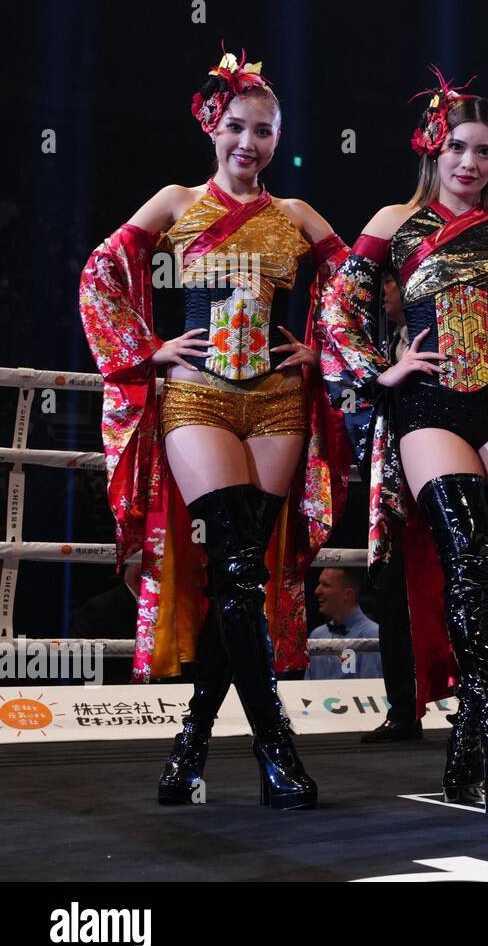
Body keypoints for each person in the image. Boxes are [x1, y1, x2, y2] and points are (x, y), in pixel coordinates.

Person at [79, 48, 350, 810]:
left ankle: (192, 743)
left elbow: (359, 283)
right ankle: (276, 751)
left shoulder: (295, 216)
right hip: (195, 396)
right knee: (233, 567)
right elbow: (101, 270)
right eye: (238, 126)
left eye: (264, 131)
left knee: (242, 576)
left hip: (278, 402)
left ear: (277, 138)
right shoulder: (174, 201)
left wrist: (321, 347)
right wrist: (144, 348)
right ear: (212, 125)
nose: (250, 143)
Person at [320, 69, 488, 814]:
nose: (470, 162)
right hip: (428, 406)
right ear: (433, 148)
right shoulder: (393, 223)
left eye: (485, 151)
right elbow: (337, 310)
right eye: (458, 146)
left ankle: (473, 736)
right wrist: (381, 368)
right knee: (462, 557)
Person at [362, 272, 423, 742]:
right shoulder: (387, 342)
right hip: (397, 487)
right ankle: (403, 711)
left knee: (471, 587)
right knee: (390, 594)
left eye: (389, 285)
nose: (381, 294)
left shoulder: (435, 333)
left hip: (443, 479)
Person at [305, 568, 382, 680]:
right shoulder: (317, 635)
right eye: (319, 584)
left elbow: (370, 691)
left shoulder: (371, 635)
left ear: (348, 594)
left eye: (325, 585)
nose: (317, 591)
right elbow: (305, 688)